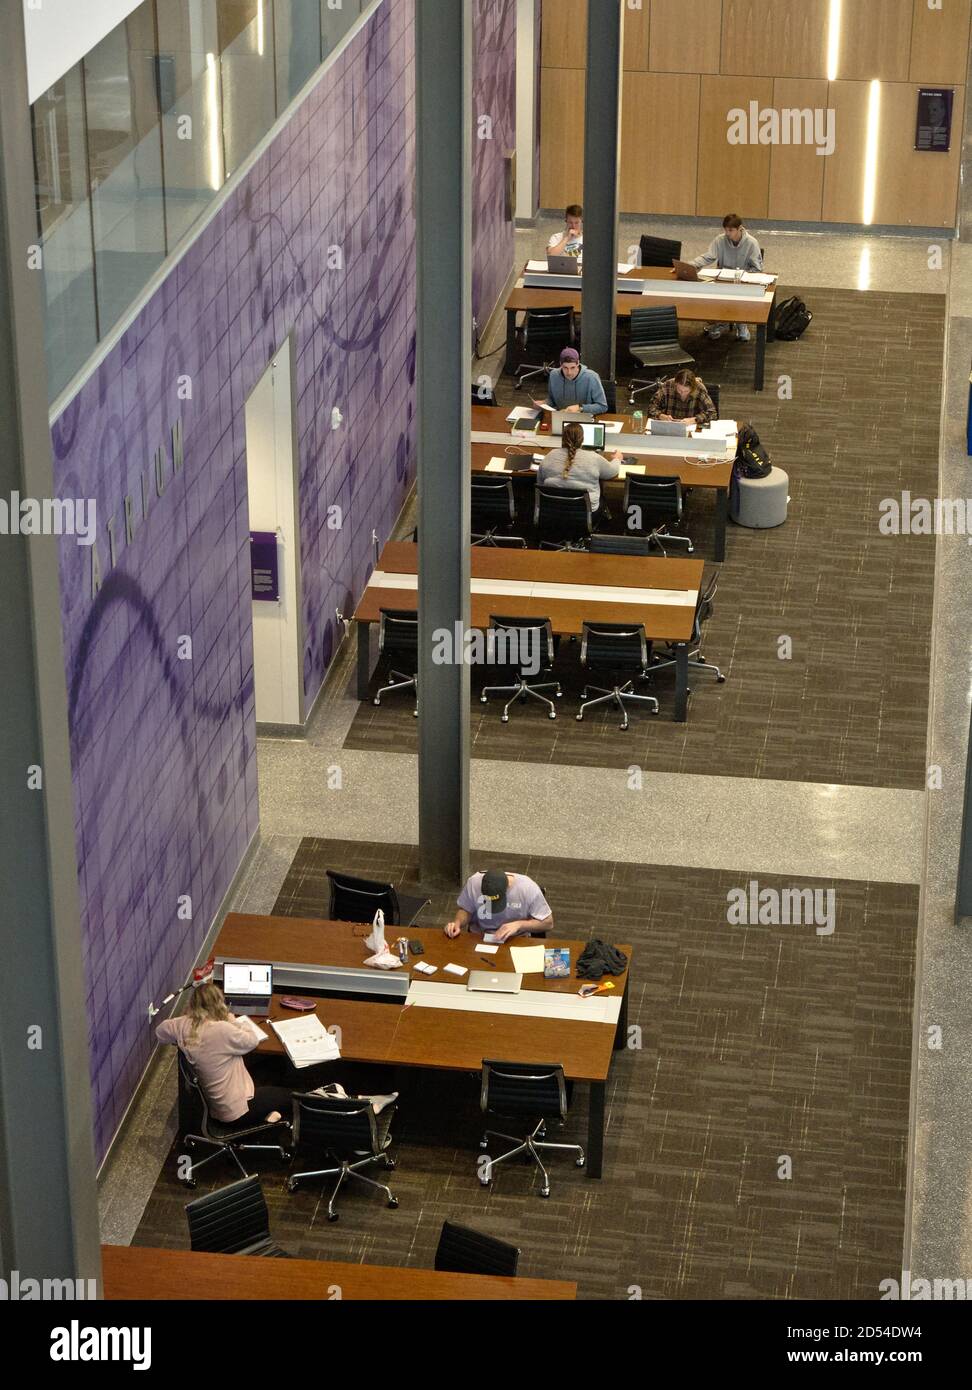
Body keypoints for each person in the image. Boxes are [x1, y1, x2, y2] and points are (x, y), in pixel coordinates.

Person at [156, 981, 294, 1127]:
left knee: (275, 1065)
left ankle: (267, 1113)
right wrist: (231, 1019)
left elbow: (160, 1031)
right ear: (219, 1003)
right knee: (293, 1097)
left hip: (219, 1104)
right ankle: (266, 1120)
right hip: (237, 1110)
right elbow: (252, 1040)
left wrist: (185, 1021)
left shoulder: (183, 1025)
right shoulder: (222, 1029)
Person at [692, 213, 763, 342]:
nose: (727, 233)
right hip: (723, 279)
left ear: (740, 228)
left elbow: (757, 269)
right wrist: (690, 265)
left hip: (742, 279)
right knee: (704, 292)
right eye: (725, 230)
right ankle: (721, 321)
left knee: (739, 294)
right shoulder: (720, 240)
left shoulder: (752, 243)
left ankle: (741, 323)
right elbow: (708, 256)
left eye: (731, 230)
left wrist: (743, 276)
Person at [444, 868, 553, 941]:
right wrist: (457, 923)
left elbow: (548, 923)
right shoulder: (473, 882)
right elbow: (466, 909)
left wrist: (519, 924)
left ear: (507, 889)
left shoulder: (528, 888)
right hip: (479, 937)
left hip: (515, 939)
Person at [538, 420, 622, 513]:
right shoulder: (593, 458)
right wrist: (617, 459)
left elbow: (540, 482)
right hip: (586, 512)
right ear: (582, 439)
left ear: (563, 438)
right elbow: (612, 472)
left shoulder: (550, 455)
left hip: (553, 509)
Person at [533, 347, 608, 415]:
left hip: (584, 418)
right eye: (565, 368)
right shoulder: (553, 375)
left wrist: (580, 408)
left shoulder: (592, 377)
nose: (569, 373)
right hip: (560, 417)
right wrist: (544, 403)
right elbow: (552, 400)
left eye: (572, 367)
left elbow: (602, 406)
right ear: (560, 364)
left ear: (578, 363)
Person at [647, 369, 717, 428]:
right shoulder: (667, 386)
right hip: (668, 428)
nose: (682, 393)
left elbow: (712, 413)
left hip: (691, 430)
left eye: (686, 391)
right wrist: (661, 416)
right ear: (675, 384)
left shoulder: (699, 388)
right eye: (679, 390)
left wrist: (694, 420)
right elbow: (651, 408)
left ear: (692, 388)